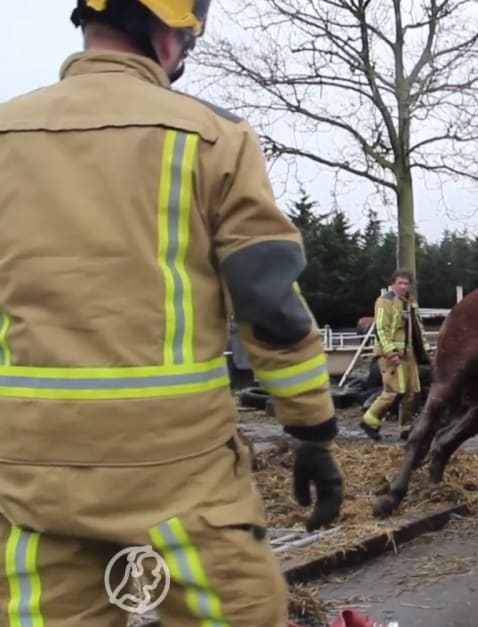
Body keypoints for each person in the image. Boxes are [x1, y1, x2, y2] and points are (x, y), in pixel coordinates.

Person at [0, 2, 345, 624]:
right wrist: (312, 429)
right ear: (167, 36)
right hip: (177, 469)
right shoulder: (213, 136)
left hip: (29, 470)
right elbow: (268, 305)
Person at [361, 269, 431, 441]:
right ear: (392, 284)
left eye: (406, 283)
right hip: (391, 354)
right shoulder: (385, 301)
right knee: (393, 391)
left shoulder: (411, 302)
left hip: (409, 353)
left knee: (411, 392)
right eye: (399, 283)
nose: (403, 286)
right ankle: (369, 421)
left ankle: (406, 428)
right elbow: (381, 329)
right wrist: (390, 352)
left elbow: (418, 329)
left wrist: (426, 350)